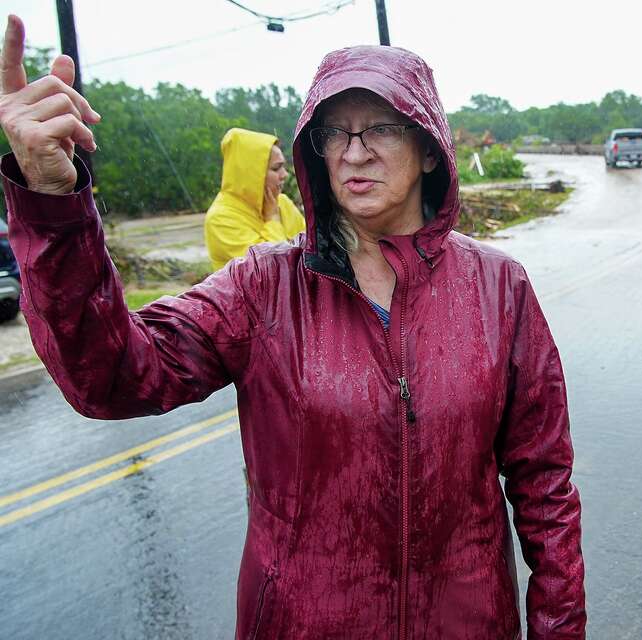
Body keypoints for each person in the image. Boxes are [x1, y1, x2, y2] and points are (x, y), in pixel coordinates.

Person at [0, 15, 586, 640]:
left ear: (427, 147)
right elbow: (113, 376)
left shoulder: (498, 288)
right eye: (335, 132)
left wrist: (559, 628)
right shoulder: (265, 285)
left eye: (380, 128)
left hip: (468, 622)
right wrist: (54, 202)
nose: (354, 152)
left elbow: (545, 485)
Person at [204, 127, 305, 271]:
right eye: (276, 168)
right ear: (252, 173)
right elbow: (272, 270)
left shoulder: (282, 202)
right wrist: (273, 219)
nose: (285, 175)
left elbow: (312, 250)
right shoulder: (220, 219)